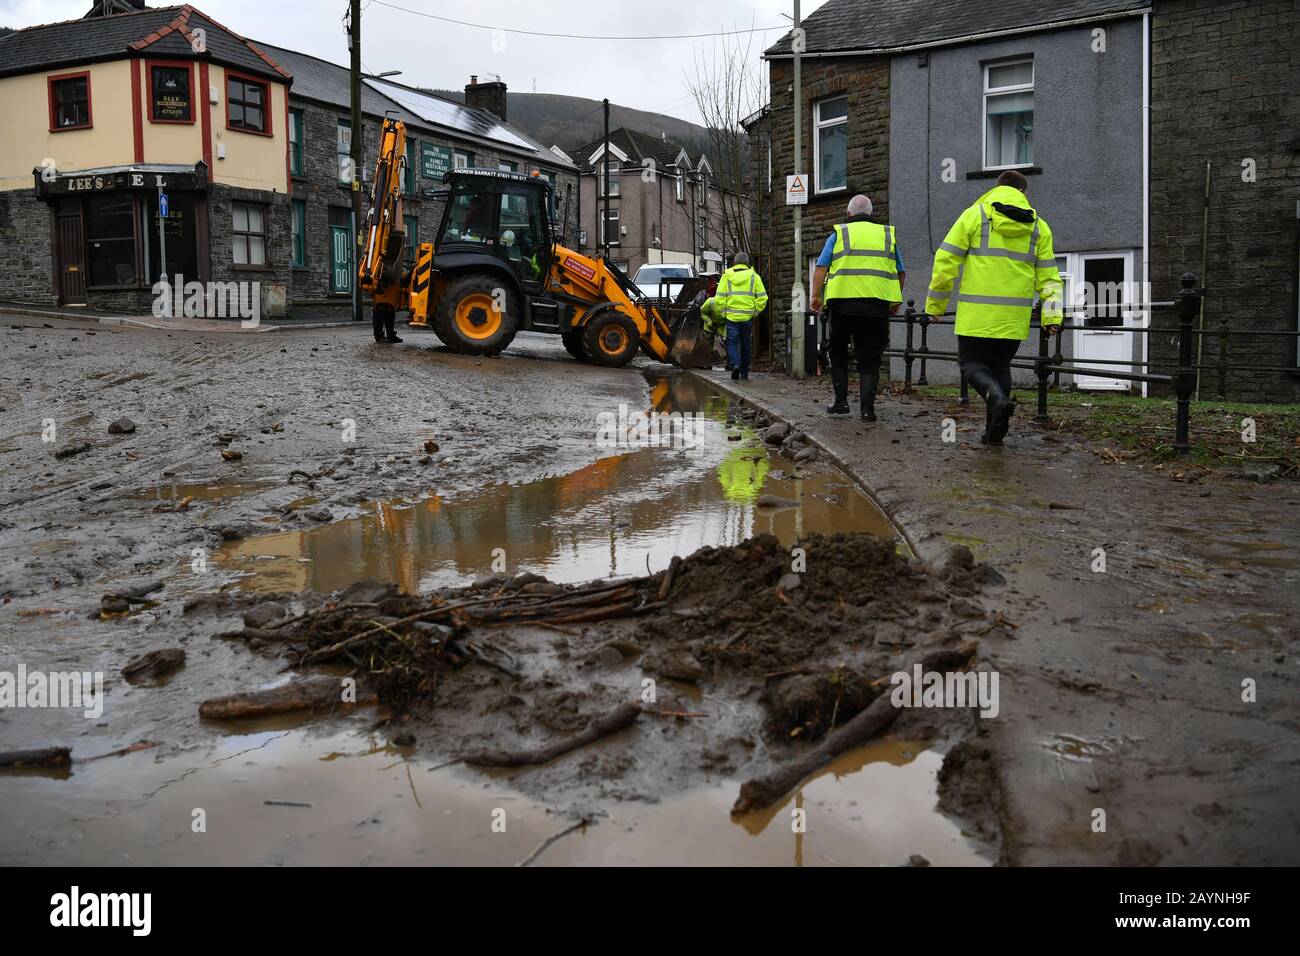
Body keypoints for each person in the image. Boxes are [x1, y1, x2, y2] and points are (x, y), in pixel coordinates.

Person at [925, 169, 1063, 444]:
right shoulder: (1039, 227)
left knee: (971, 365)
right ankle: (994, 432)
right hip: (1014, 317)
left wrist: (936, 305)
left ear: (996, 187)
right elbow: (1050, 277)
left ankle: (998, 400)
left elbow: (945, 260)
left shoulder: (974, 216)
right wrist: (1052, 315)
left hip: (977, 314)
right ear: (1024, 194)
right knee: (1000, 368)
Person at [810, 194, 904, 421]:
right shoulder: (886, 235)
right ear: (871, 213)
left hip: (843, 306)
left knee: (839, 352)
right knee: (870, 358)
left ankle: (841, 403)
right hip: (876, 306)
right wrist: (894, 301)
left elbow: (821, 267)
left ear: (849, 214)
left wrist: (815, 296)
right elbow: (900, 271)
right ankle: (867, 410)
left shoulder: (839, 234)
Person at [715, 252, 768, 381]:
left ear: (734, 263)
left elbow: (719, 298)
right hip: (747, 317)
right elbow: (762, 298)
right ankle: (744, 372)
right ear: (747, 263)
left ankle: (735, 364)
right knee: (746, 344)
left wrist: (723, 312)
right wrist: (755, 311)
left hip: (731, 316)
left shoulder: (726, 277)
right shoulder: (754, 277)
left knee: (732, 342)